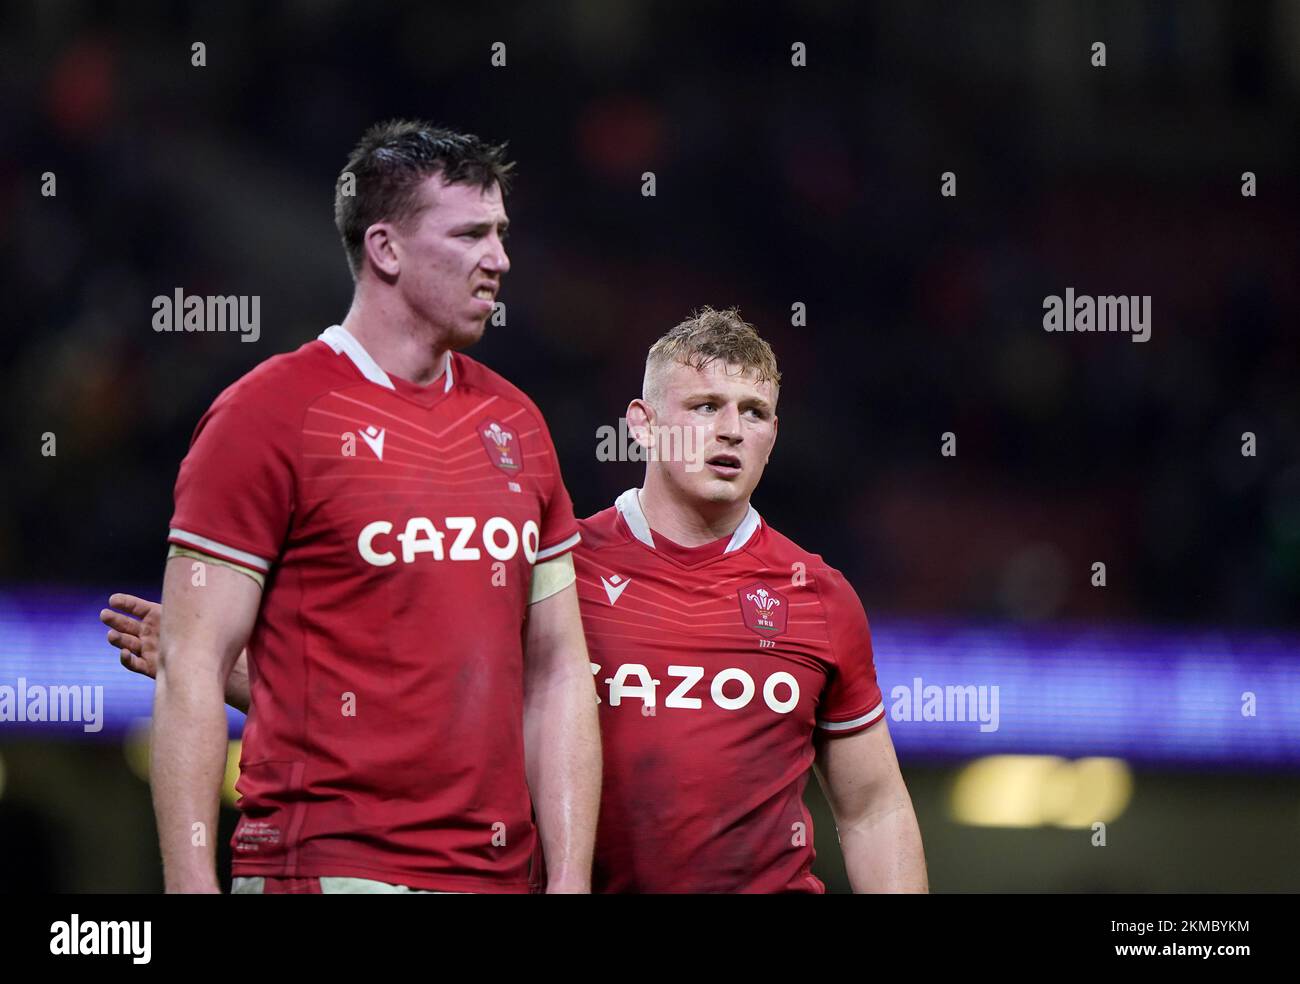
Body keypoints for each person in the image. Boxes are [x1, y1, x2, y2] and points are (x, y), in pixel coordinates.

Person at [107, 307, 926, 893]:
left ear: (774, 434)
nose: (730, 431)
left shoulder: (819, 597)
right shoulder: (553, 564)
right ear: (641, 425)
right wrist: (234, 676)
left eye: (754, 413)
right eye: (705, 407)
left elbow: (873, 805)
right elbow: (442, 721)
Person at [119, 119, 600, 895]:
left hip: (498, 879)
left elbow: (559, 673)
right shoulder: (265, 416)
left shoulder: (518, 426)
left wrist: (570, 882)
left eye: (502, 234)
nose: (499, 260)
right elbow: (191, 669)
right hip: (327, 869)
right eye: (473, 233)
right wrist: (190, 884)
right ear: (385, 249)